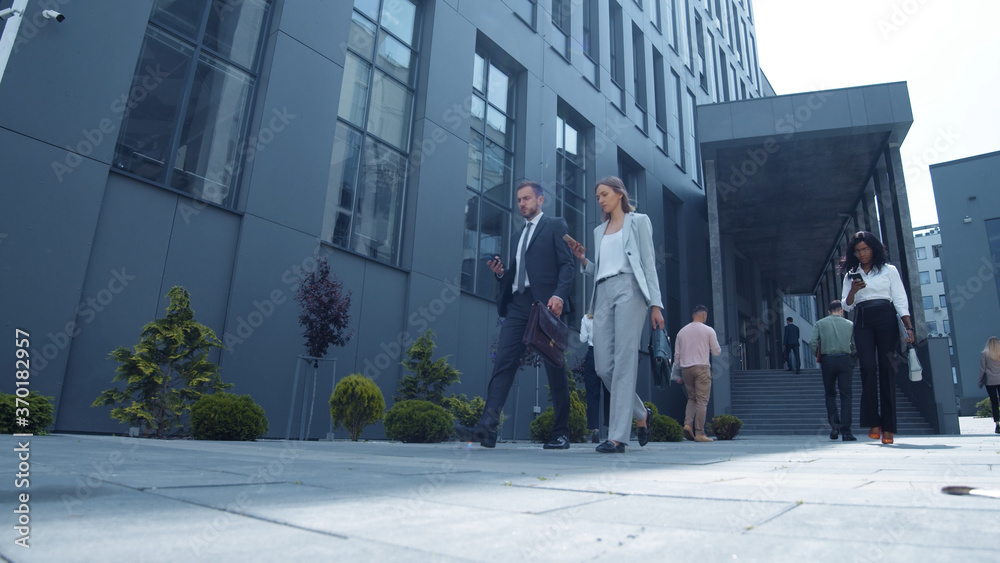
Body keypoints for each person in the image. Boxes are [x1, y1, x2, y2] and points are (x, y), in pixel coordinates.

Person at [455, 180, 575, 449]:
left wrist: (558, 295)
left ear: (540, 200)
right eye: (519, 200)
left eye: (527, 199)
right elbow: (516, 275)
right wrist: (501, 274)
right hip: (519, 305)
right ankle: (487, 428)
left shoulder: (556, 226)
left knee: (555, 368)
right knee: (503, 364)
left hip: (546, 305)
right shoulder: (517, 235)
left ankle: (561, 432)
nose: (522, 204)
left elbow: (567, 266)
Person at [567, 176, 663, 453]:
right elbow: (602, 268)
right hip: (602, 293)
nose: (600, 200)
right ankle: (642, 414)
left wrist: (656, 304)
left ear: (620, 194)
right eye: (597, 196)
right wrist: (584, 260)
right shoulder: (600, 230)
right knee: (602, 367)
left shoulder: (639, 221)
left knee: (624, 361)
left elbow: (648, 264)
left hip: (630, 288)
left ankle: (618, 437)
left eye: (604, 194)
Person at [840, 231, 914, 445]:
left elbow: (900, 300)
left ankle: (888, 427)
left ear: (874, 249)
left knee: (887, 369)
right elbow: (847, 305)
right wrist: (853, 290)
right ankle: (874, 421)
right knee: (867, 368)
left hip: (886, 317)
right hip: (862, 319)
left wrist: (909, 328)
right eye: (858, 251)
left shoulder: (889, 270)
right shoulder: (851, 274)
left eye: (865, 249)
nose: (862, 254)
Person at [808, 300, 857, 441]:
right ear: (842, 311)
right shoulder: (849, 324)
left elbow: (812, 342)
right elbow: (854, 345)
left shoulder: (820, 323)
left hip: (827, 360)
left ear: (829, 311)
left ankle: (834, 426)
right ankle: (846, 431)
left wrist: (819, 356)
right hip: (844, 360)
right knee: (846, 395)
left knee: (830, 394)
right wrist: (852, 359)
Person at [673, 305, 721, 442]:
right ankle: (699, 433)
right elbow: (717, 351)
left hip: (685, 369)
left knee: (692, 398)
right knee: (702, 401)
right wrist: (711, 350)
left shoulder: (681, 332)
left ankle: (688, 424)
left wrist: (677, 375)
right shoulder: (708, 330)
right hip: (701, 368)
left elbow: (677, 355)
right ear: (704, 315)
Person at [579, 315, 611, 443]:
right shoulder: (609, 316)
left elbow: (582, 339)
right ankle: (610, 428)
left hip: (592, 354)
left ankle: (595, 430)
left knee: (592, 394)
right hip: (607, 354)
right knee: (609, 392)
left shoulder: (586, 318)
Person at [979, 336, 1000, 435]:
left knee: (994, 402)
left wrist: (980, 381)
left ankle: (997, 424)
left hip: (990, 381)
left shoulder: (984, 354)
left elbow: (982, 369)